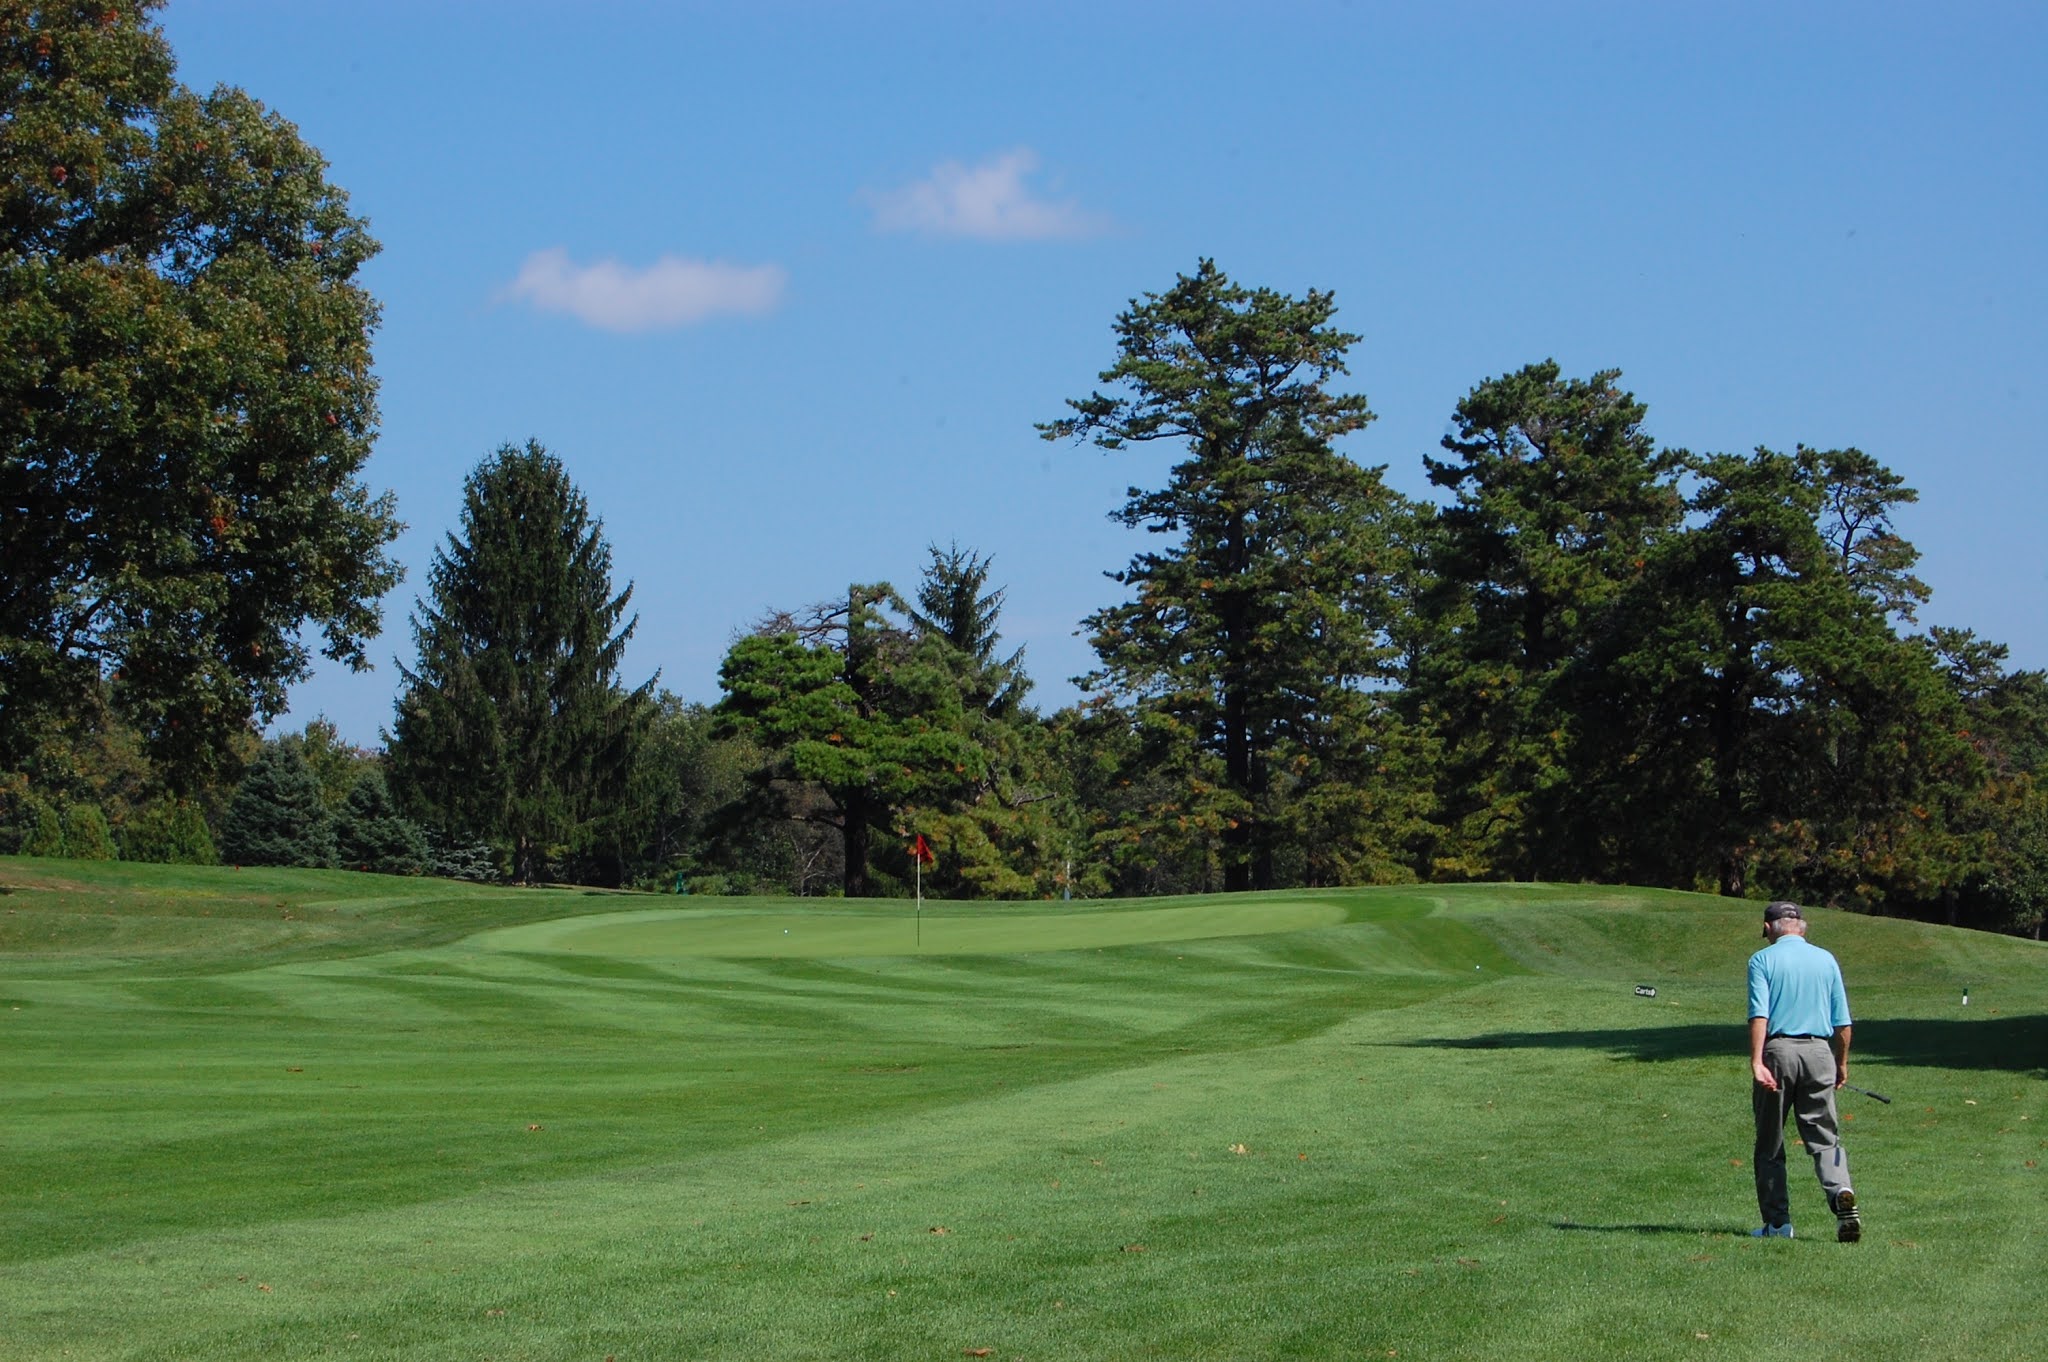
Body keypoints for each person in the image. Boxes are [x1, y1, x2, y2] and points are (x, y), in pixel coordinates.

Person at [1747, 900, 1861, 1242]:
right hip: (1819, 1052)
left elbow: (1760, 1014)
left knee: (1770, 1142)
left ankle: (1778, 1224)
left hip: (1779, 1053)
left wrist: (1757, 1061)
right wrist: (1841, 1063)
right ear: (1801, 926)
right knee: (1825, 1137)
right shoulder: (1826, 959)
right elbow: (1842, 1022)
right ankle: (1841, 1190)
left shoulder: (1762, 960)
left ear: (1768, 928)